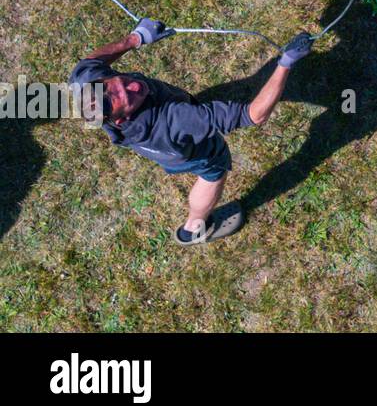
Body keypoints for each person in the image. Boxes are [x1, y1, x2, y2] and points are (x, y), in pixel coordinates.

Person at [69, 18, 312, 245]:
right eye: (129, 96)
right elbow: (254, 115)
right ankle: (193, 229)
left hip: (156, 142)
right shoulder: (180, 119)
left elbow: (91, 62)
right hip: (185, 150)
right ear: (122, 118)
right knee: (212, 171)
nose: (134, 85)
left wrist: (136, 38)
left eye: (121, 82)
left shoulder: (85, 85)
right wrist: (285, 64)